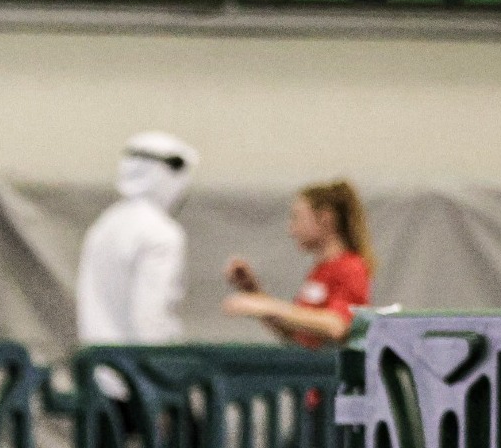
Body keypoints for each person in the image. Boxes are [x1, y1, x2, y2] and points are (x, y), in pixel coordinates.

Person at [76, 131, 197, 348]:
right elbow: (150, 321)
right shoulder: (161, 233)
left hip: (97, 368)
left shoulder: (104, 224)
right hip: (138, 374)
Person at [223, 178, 374, 347]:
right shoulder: (320, 271)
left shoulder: (351, 267)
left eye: (297, 218)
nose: (291, 230)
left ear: (325, 219)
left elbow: (337, 325)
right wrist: (252, 291)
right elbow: (294, 332)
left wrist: (269, 306)